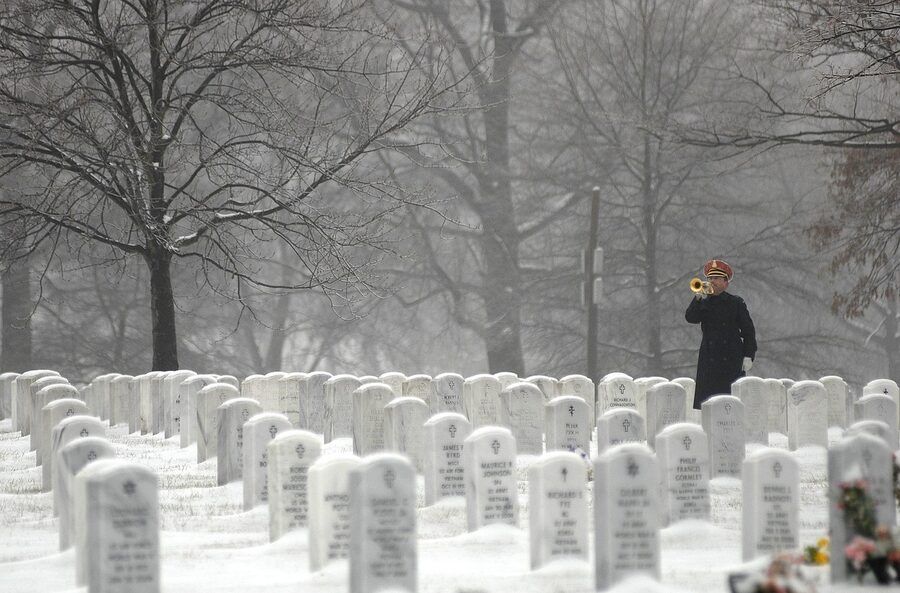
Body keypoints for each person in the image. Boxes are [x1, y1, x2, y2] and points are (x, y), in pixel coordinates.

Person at [685, 259, 757, 409]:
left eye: (716, 278)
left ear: (726, 283)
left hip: (731, 358)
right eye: (710, 278)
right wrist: (697, 298)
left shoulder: (736, 303)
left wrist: (749, 355)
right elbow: (691, 318)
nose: (712, 281)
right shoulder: (703, 303)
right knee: (708, 403)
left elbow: (748, 330)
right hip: (709, 358)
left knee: (730, 402)